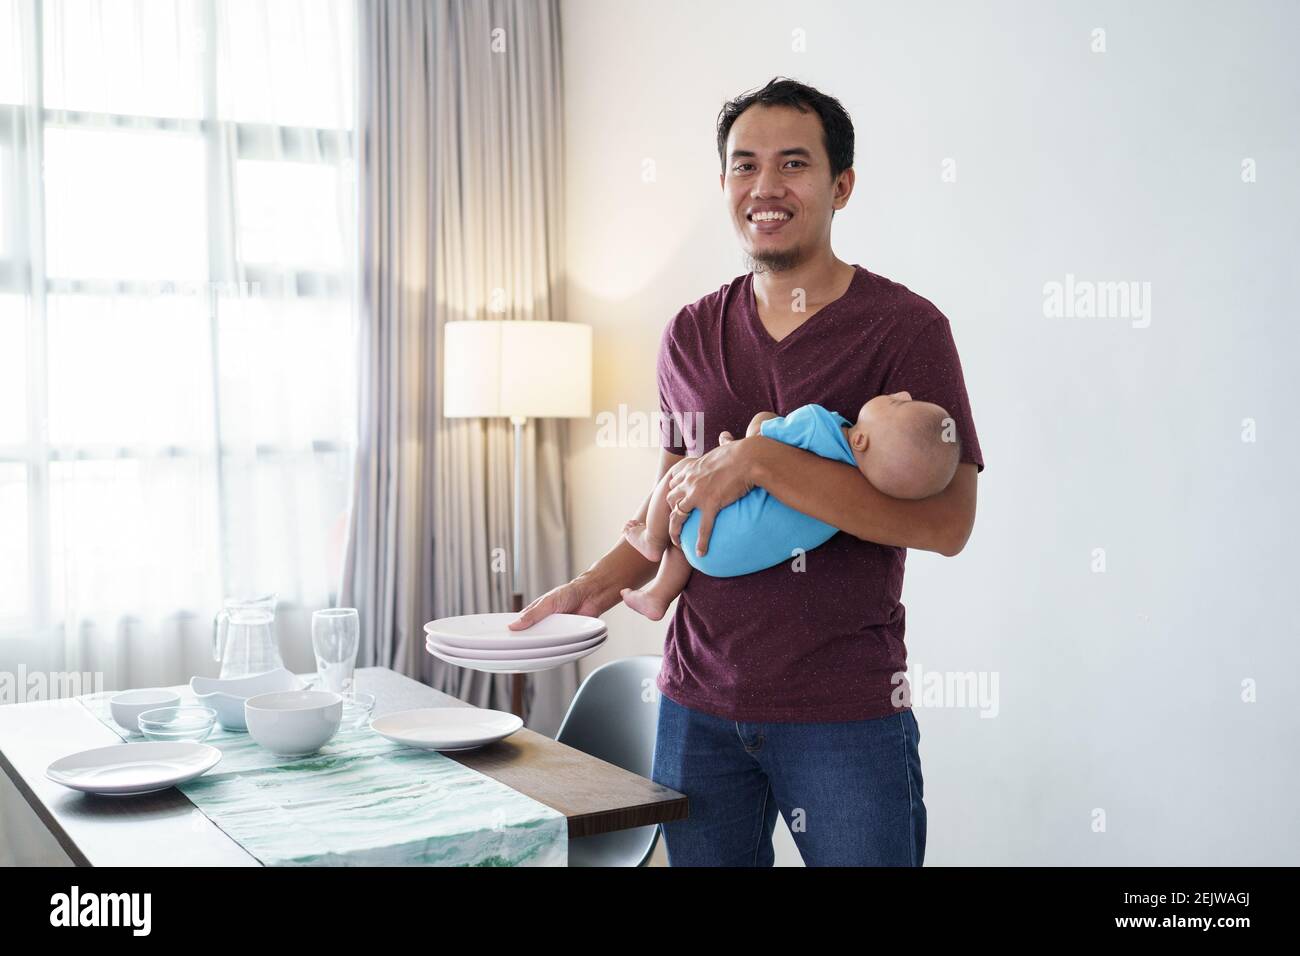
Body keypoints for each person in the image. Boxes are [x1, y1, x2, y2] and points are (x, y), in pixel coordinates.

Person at [510, 77, 985, 866]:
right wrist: (591, 585)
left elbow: (947, 524)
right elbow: (672, 499)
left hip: (846, 712)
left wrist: (764, 461)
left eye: (793, 164)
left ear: (842, 186)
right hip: (696, 707)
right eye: (744, 165)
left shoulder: (905, 330)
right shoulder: (691, 332)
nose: (765, 187)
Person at [619, 396, 960, 620]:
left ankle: (651, 542)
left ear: (860, 440)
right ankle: (657, 595)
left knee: (685, 473)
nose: (902, 394)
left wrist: (738, 446)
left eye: (898, 406)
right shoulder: (853, 502)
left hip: (706, 533)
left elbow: (760, 432)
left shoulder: (818, 424)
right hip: (729, 560)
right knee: (701, 527)